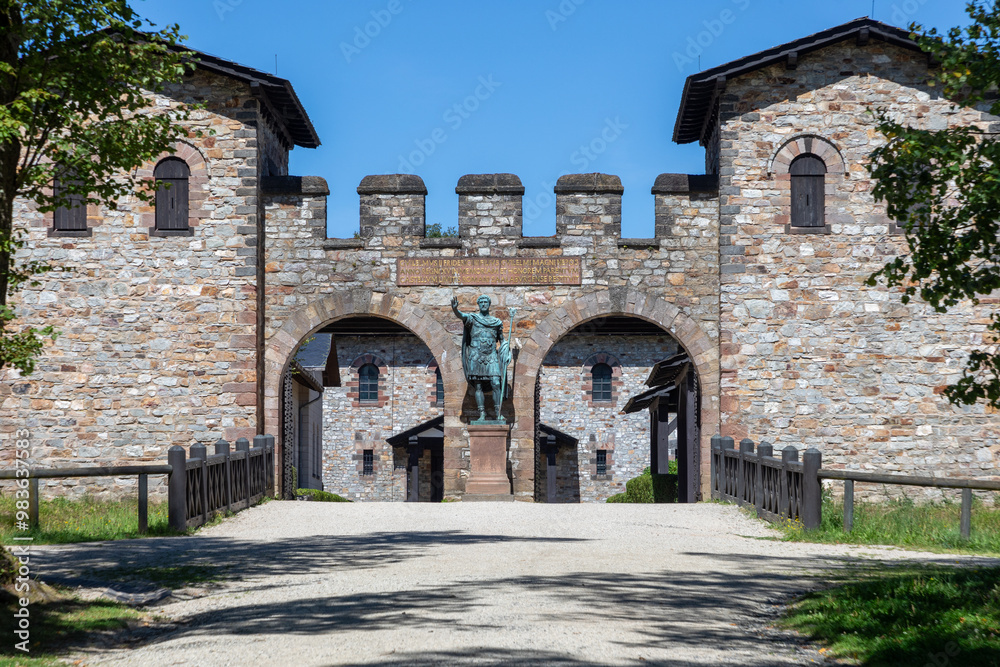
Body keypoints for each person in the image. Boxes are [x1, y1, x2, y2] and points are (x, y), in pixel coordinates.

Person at [451, 294, 510, 422]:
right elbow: (462, 316)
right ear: (478, 304)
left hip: (491, 356)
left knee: (496, 383)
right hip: (476, 355)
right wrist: (455, 310)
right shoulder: (473, 319)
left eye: (486, 302)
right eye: (481, 302)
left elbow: (502, 340)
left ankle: (498, 413)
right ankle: (482, 414)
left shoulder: (496, 322)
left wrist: (507, 351)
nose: (483, 304)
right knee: (478, 386)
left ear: (489, 304)